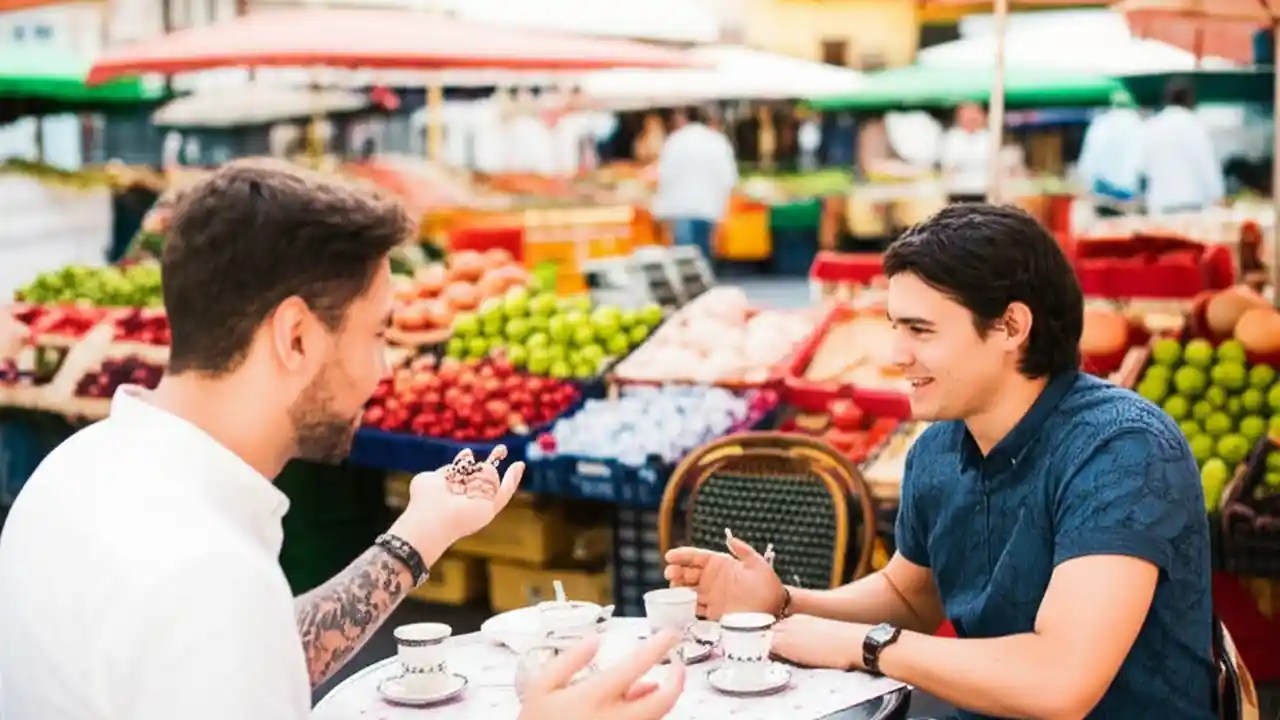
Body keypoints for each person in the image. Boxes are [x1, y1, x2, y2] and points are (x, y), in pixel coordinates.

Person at [0, 160, 683, 720]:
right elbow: (223, 627)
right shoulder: (208, 577)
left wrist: (421, 533)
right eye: (379, 333)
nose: (386, 370)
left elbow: (254, 655)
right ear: (295, 336)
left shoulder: (79, 469)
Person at [665, 203, 1214, 719]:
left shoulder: (1122, 449)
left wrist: (867, 646)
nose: (895, 354)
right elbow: (909, 596)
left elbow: (1060, 680)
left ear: (1010, 328)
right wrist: (783, 601)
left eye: (920, 330)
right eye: (895, 326)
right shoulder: (938, 447)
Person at [652, 107, 738, 263]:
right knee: (703, 251)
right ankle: (705, 281)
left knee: (683, 255)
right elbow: (729, 178)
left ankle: (689, 283)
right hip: (708, 207)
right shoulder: (717, 141)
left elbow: (664, 175)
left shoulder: (675, 140)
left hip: (680, 208)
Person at [1138, 80, 1225, 214]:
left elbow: (1142, 168)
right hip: (1191, 205)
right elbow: (1207, 166)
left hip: (1160, 204)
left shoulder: (1151, 127)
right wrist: (1217, 196)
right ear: (1190, 99)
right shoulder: (1196, 127)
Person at [1076, 89, 1145, 216]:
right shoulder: (1139, 124)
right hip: (1129, 198)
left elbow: (1088, 163)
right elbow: (1142, 164)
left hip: (1102, 197)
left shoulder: (1100, 123)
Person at [938, 102, 992, 204]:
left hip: (984, 192)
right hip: (959, 193)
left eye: (975, 114)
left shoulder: (988, 137)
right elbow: (948, 167)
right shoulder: (953, 137)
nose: (972, 118)